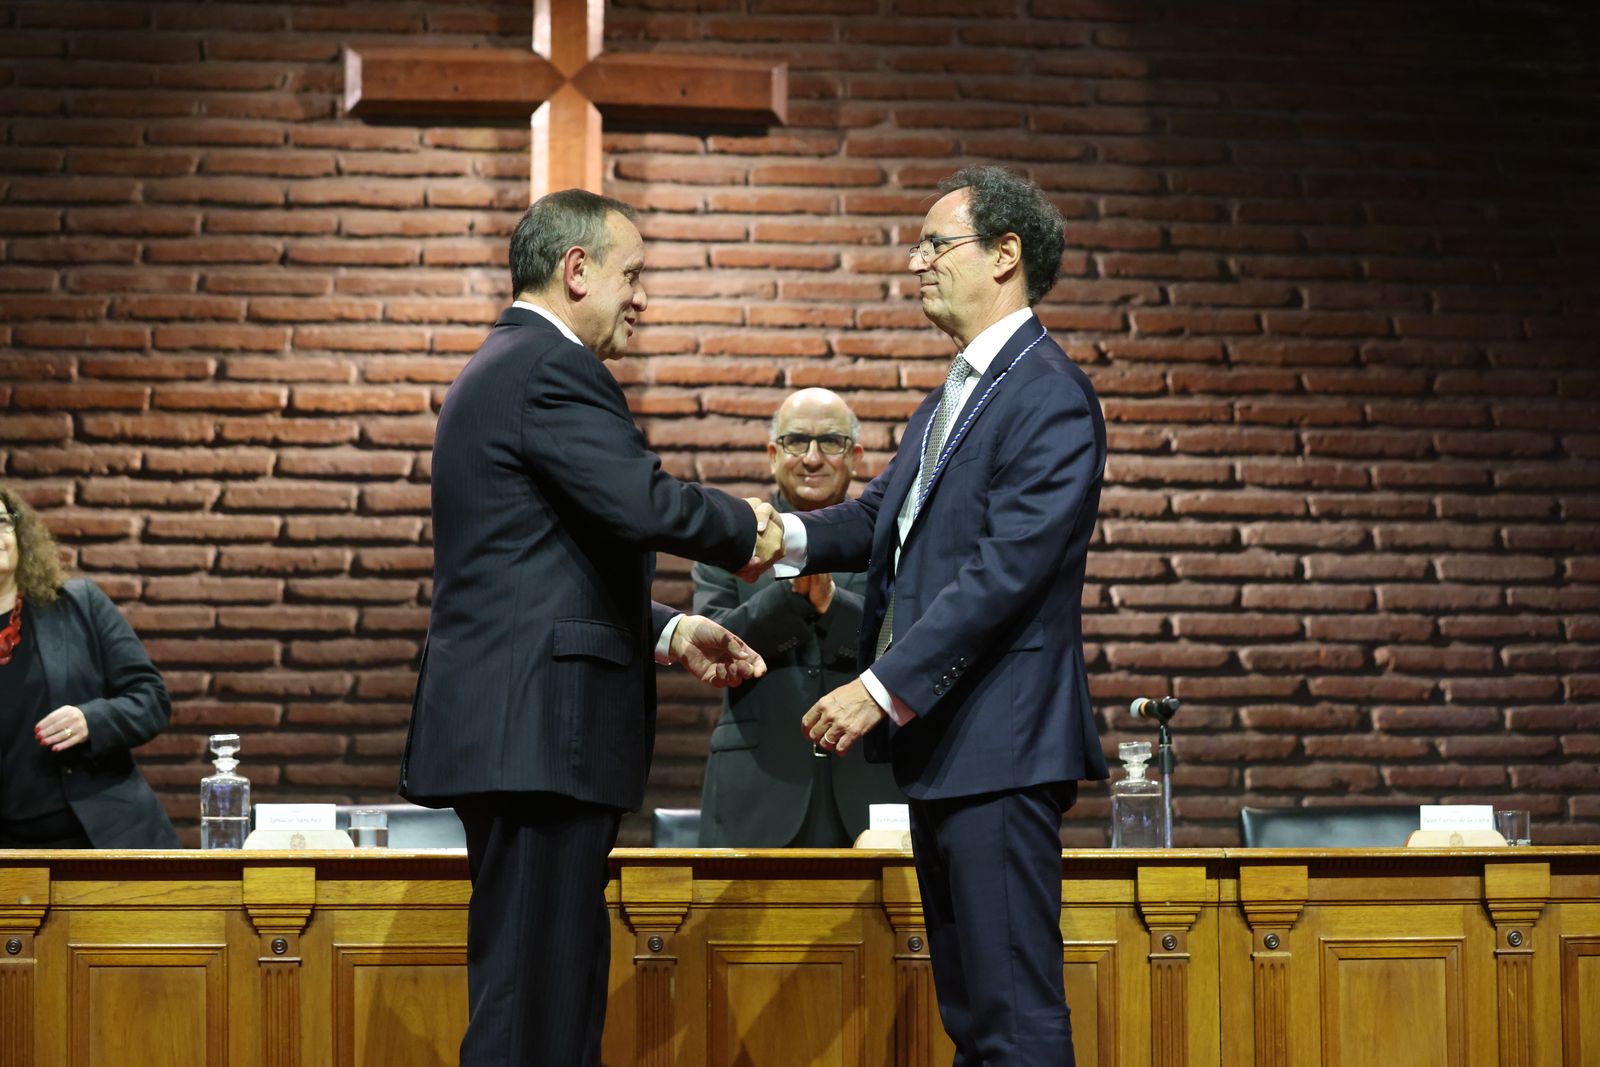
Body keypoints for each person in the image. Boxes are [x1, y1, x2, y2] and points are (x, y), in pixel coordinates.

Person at [398, 188, 783, 1067]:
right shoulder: (549, 367)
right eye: (632, 274)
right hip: (539, 735)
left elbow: (534, 571)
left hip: (522, 728)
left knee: (553, 999)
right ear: (577, 269)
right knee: (533, 1014)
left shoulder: (506, 366)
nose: (642, 297)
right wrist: (757, 529)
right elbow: (640, 500)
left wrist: (671, 631)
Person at [772, 167, 1109, 1066]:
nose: (916, 262)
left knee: (1013, 1020)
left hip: (1001, 747)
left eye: (935, 244)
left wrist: (879, 688)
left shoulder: (1047, 393)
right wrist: (770, 534)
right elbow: (874, 519)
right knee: (973, 1015)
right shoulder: (957, 393)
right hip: (953, 750)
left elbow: (1006, 571)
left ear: (1006, 255)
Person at [694, 389, 902, 847]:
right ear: (773, 455)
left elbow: (908, 646)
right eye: (796, 441)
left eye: (830, 441)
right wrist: (790, 601)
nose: (812, 457)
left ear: (856, 457)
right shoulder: (729, 536)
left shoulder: (894, 540)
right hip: (758, 786)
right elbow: (710, 647)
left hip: (870, 784)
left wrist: (833, 606)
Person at [0, 485, 180, 850]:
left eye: (2, 521)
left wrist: (92, 720)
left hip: (101, 838)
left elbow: (152, 699)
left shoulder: (79, 603)